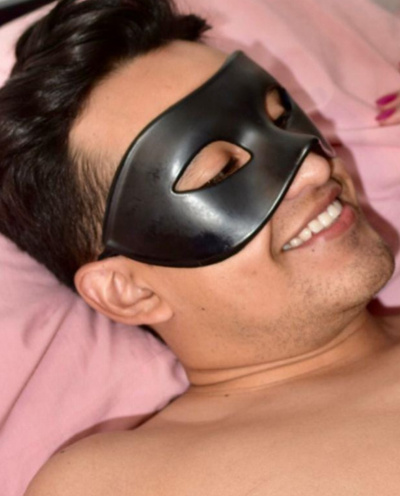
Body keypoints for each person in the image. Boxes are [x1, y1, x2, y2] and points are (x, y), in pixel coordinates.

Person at [0, 0, 397, 494]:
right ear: (129, 290)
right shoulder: (121, 483)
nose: (315, 169)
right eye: (221, 172)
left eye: (281, 120)